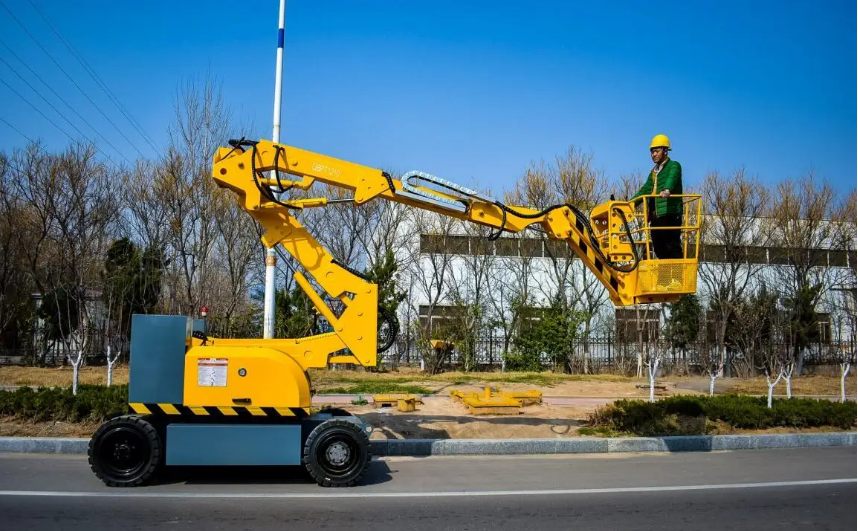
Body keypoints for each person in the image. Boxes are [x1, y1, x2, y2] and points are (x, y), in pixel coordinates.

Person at [630, 134, 684, 259]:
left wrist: (667, 189)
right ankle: (665, 276)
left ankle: (677, 277)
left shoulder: (674, 165)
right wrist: (628, 204)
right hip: (655, 215)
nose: (653, 154)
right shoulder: (654, 172)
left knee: (671, 245)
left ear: (665, 151)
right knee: (658, 247)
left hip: (669, 213)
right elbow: (644, 191)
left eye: (656, 151)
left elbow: (672, 177)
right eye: (652, 152)